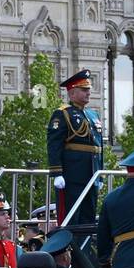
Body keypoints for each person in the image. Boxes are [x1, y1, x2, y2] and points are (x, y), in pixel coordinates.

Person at [47, 69, 104, 227]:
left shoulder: (93, 115)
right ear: (72, 93)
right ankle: (69, 251)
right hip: (72, 176)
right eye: (84, 90)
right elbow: (54, 145)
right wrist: (57, 173)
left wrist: (101, 174)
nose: (88, 93)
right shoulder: (62, 114)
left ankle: (85, 251)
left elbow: (99, 148)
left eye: (89, 89)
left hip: (92, 174)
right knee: (71, 218)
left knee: (89, 219)